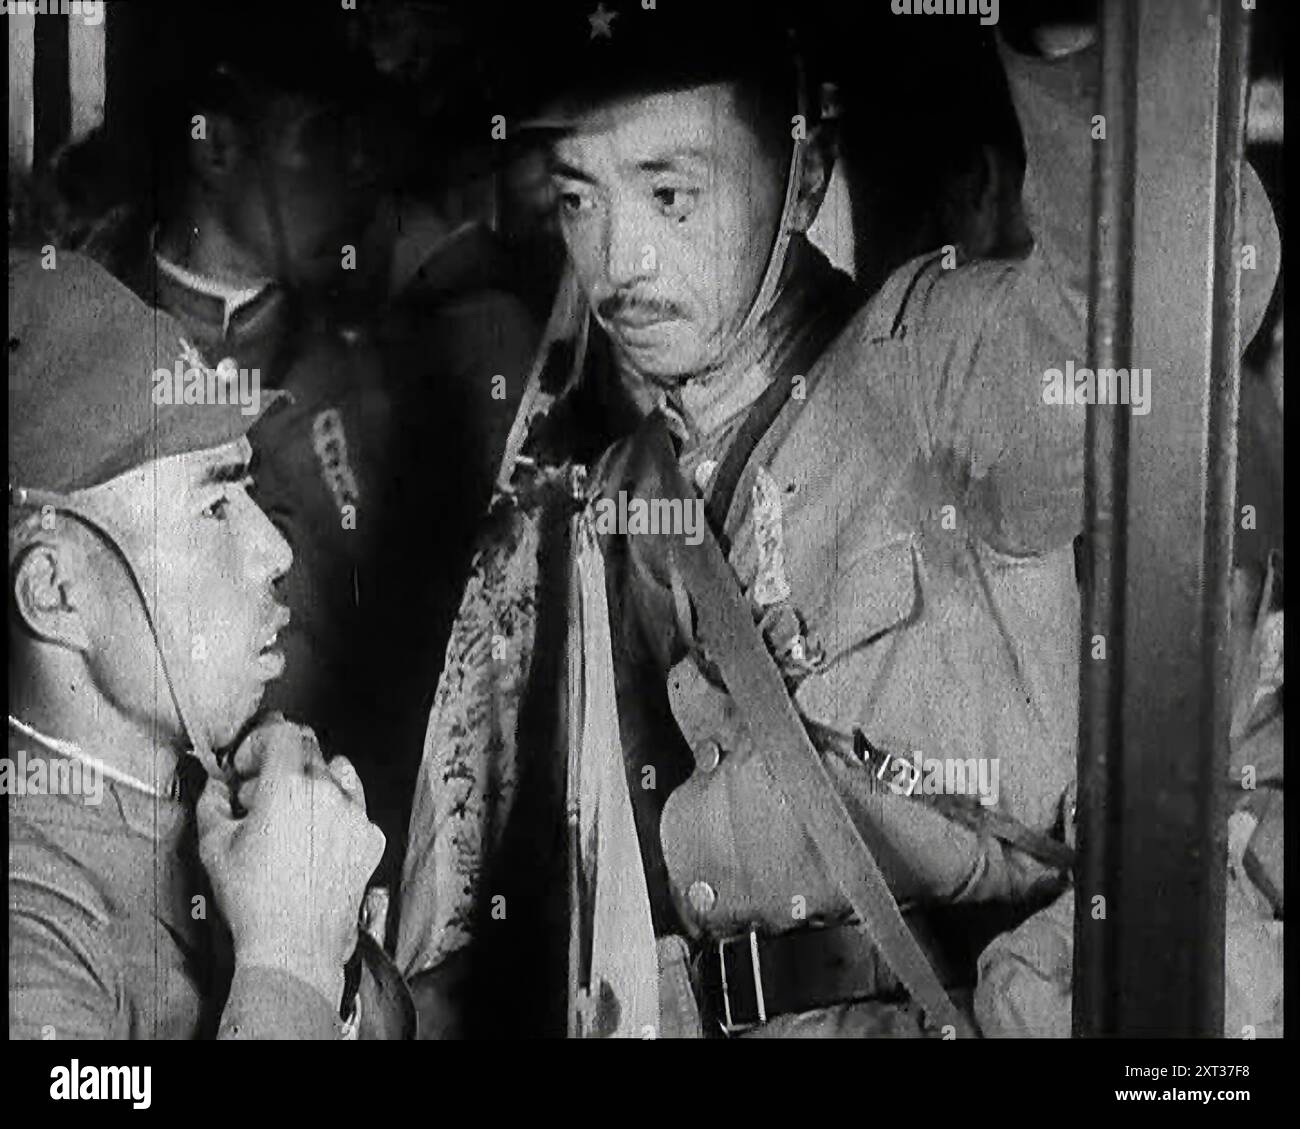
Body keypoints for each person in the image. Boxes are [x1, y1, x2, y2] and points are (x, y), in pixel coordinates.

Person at [394, 2, 1280, 1038]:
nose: (619, 260)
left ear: (803, 180)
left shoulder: (933, 370)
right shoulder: (629, 490)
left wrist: (1065, 40)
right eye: (579, 200)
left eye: (672, 194)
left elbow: (1182, 293)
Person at [8, 251, 391, 1039]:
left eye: (246, 490)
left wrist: (332, 950)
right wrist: (289, 956)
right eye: (213, 506)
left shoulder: (207, 788)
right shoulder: (30, 931)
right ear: (56, 592)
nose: (274, 552)